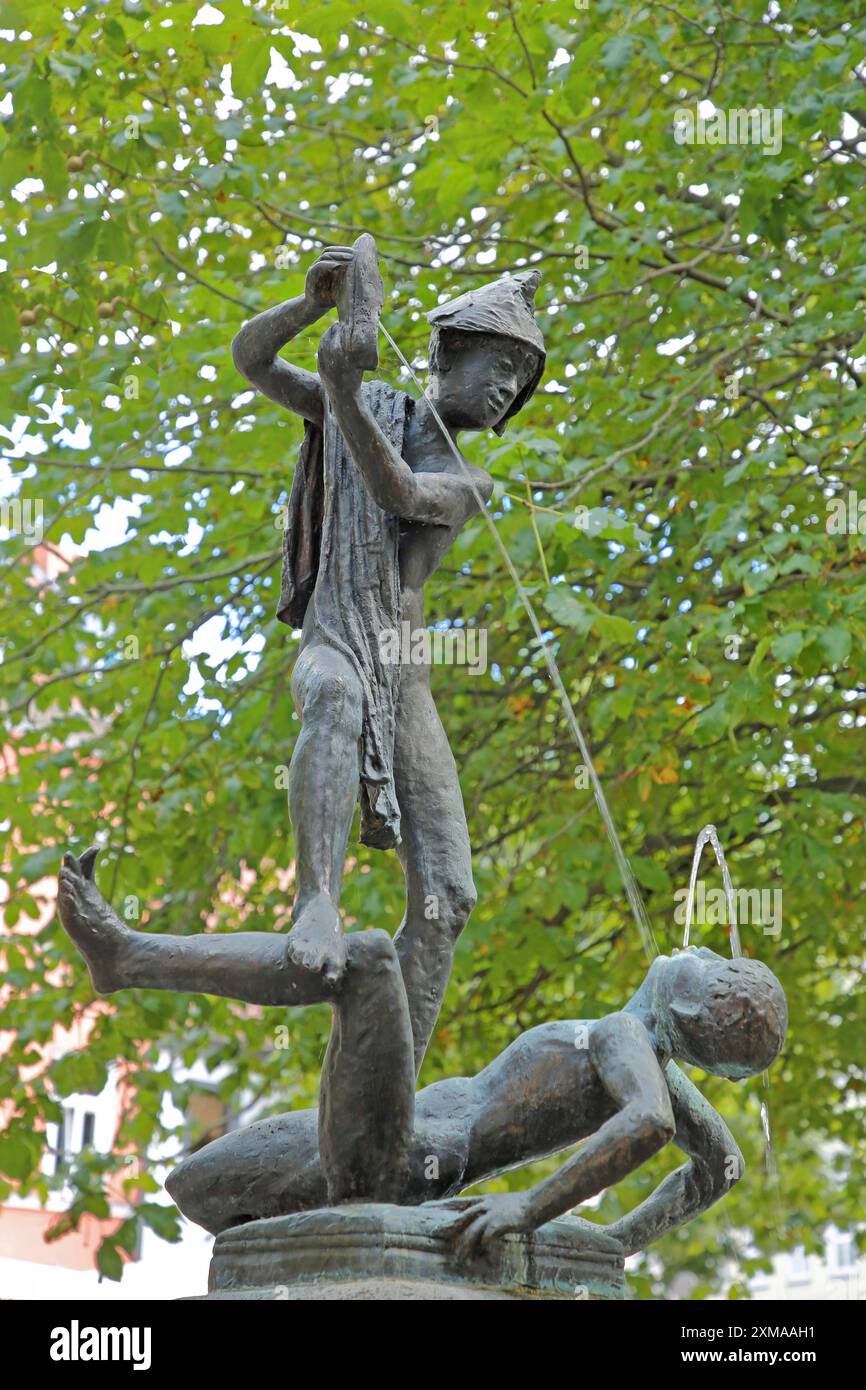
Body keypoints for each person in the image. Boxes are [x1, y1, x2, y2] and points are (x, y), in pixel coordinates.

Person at [57, 849, 786, 1257]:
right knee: (200, 1183)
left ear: (695, 1001)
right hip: (398, 1146)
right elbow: (722, 1167)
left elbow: (650, 1124)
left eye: (715, 964)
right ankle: (124, 959)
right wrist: (613, 1242)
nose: (699, 947)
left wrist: (528, 1209)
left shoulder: (630, 1043)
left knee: (369, 960)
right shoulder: (643, 1053)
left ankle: (127, 957)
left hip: (401, 1156)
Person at [229, 242, 546, 1070]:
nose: (509, 385)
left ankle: (383, 1096)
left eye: (522, 374)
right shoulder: (362, 402)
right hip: (339, 632)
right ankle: (316, 905)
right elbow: (252, 358)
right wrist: (312, 306)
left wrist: (339, 390)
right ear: (445, 352)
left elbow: (398, 491)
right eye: (499, 361)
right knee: (331, 700)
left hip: (405, 673)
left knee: (448, 895)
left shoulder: (469, 477)